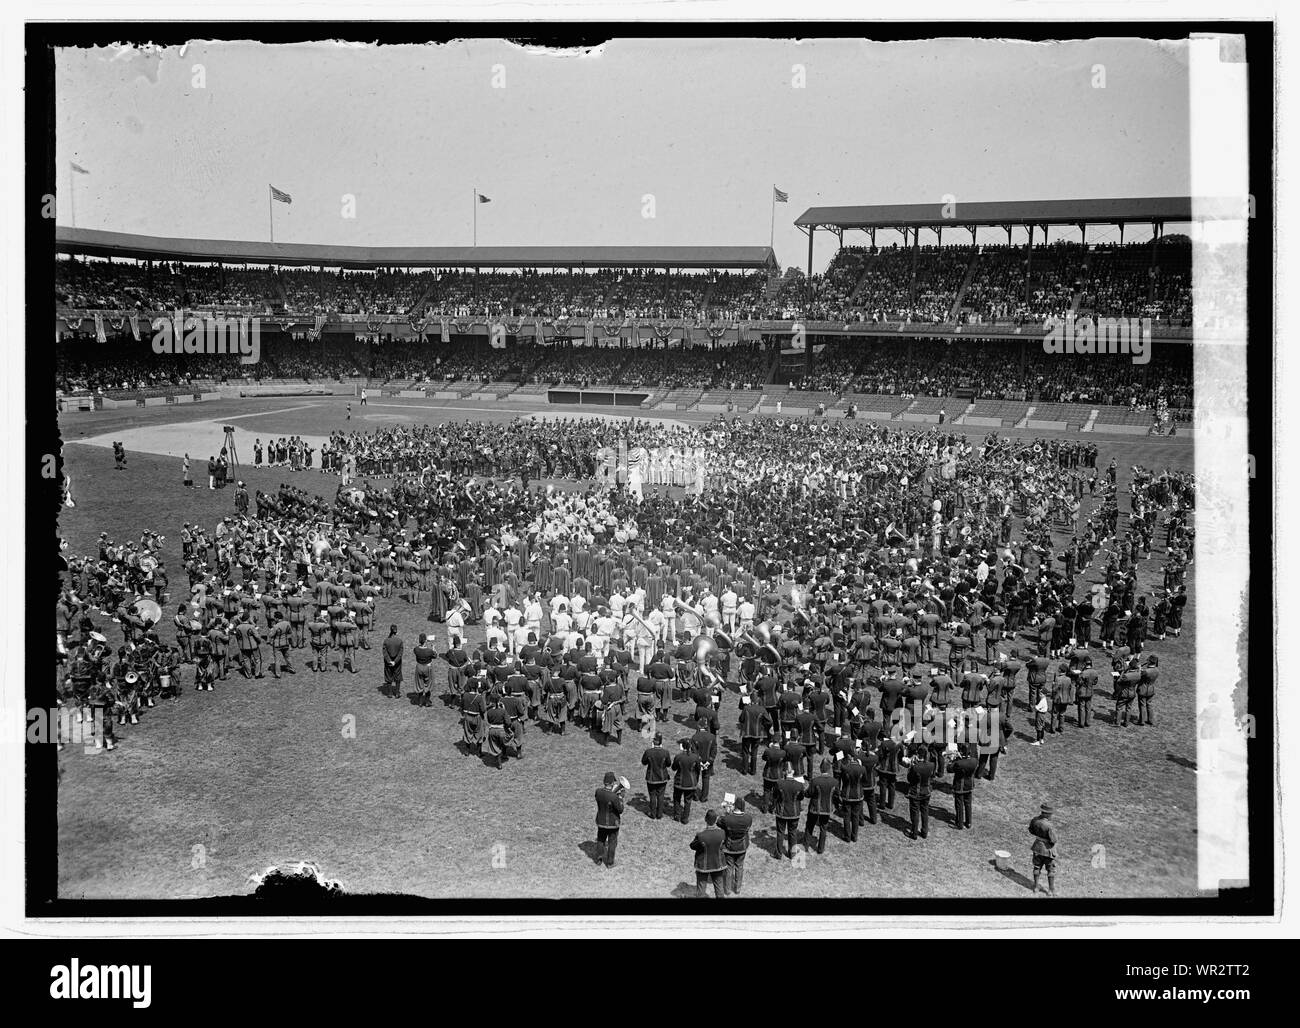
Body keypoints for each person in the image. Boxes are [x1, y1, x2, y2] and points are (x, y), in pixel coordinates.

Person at [718, 798, 753, 895]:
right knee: (740, 866)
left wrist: (727, 813)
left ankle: (727, 890)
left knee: (729, 867)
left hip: (729, 847)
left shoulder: (727, 818)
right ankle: (737, 889)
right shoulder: (748, 818)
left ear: (735, 806)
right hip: (742, 846)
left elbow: (718, 822)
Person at [690, 809, 727, 898]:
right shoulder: (722, 833)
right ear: (716, 820)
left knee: (701, 889)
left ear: (705, 819)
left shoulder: (701, 835)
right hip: (718, 864)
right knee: (719, 888)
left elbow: (692, 846)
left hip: (703, 865)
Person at [804, 759, 838, 854]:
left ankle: (806, 846)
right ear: (829, 769)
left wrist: (805, 791)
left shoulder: (815, 781)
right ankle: (820, 849)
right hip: (827, 808)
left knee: (809, 826)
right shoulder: (834, 782)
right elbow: (837, 795)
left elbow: (808, 794)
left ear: (820, 769)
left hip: (814, 808)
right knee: (823, 828)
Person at [772, 766, 806, 860]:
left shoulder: (779, 783)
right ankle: (792, 854)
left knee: (780, 833)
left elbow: (775, 795)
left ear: (785, 772)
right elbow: (801, 797)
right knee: (793, 833)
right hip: (794, 813)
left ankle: (778, 854)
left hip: (782, 812)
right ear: (793, 771)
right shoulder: (799, 785)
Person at [905, 743, 936, 840]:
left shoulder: (915, 767)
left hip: (916, 793)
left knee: (915, 813)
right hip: (926, 791)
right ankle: (924, 831)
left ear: (918, 754)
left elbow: (909, 779)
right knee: (925, 812)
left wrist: (911, 767)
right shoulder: (931, 765)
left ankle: (914, 833)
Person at [594, 772, 624, 868]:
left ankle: (599, 859)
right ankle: (610, 862)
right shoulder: (614, 796)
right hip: (612, 823)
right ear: (611, 783)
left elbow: (604, 798)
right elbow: (620, 810)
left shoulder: (598, 792)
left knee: (600, 839)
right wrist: (620, 798)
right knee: (612, 842)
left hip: (601, 821)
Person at [1029, 803, 1059, 896]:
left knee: (1036, 867)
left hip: (1037, 847)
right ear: (1047, 814)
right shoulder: (1049, 825)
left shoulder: (1034, 820)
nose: (1051, 816)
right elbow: (1054, 840)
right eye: (1051, 814)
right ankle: (1051, 890)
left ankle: (1036, 887)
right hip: (1047, 850)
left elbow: (1031, 830)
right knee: (1050, 870)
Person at [641, 733, 672, 820]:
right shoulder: (665, 752)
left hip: (651, 778)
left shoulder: (648, 752)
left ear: (653, 741)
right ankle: (659, 814)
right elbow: (669, 764)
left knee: (652, 796)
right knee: (661, 796)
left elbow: (644, 762)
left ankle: (653, 814)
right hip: (662, 778)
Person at [672, 738, 701, 824]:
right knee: (688, 801)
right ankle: (685, 818)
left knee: (677, 799)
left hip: (679, 783)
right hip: (691, 783)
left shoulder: (678, 757)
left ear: (682, 746)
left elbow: (674, 768)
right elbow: (698, 770)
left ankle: (677, 816)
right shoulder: (695, 757)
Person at [949, 743, 978, 830]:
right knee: (968, 804)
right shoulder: (974, 761)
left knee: (959, 805)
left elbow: (949, 768)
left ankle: (960, 823)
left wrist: (953, 760)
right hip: (969, 785)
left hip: (959, 786)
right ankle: (968, 822)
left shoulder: (958, 763)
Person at [412, 632, 437, 706]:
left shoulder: (416, 649)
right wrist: (433, 648)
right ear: (425, 641)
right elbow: (435, 655)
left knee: (419, 683)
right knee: (428, 684)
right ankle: (427, 701)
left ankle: (420, 701)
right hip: (427, 668)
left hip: (419, 667)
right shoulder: (429, 651)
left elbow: (416, 649)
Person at [382, 624, 404, 700]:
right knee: (397, 676)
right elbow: (400, 653)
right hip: (397, 663)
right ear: (396, 631)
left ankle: (390, 693)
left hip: (388, 663)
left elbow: (385, 653)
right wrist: (395, 661)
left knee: (388, 676)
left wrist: (389, 661)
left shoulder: (386, 641)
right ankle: (397, 693)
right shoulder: (399, 641)